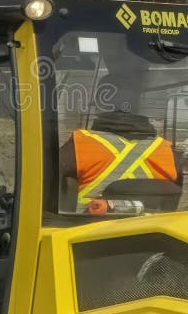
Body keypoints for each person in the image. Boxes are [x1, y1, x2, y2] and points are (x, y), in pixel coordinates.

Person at [59, 75, 180, 214]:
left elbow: (44, 188)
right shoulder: (166, 149)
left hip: (89, 232)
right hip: (155, 233)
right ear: (138, 107)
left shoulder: (80, 144)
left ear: (100, 106)